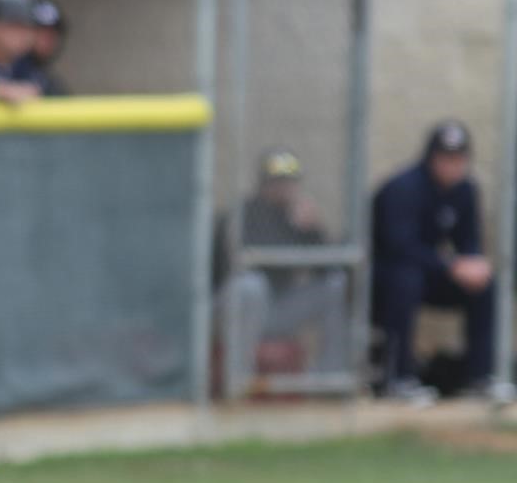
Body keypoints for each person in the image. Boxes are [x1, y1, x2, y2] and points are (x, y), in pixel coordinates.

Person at [370, 121, 507, 400]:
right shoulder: (404, 187)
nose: (453, 165)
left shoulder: (465, 190)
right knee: (406, 280)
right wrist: (452, 266)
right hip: (385, 275)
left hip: (430, 271)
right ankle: (399, 377)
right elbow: (400, 248)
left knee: (485, 284)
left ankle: (479, 377)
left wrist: (473, 264)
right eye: (446, 158)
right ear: (431, 157)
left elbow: (468, 241)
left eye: (459, 159)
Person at [212, 149, 350, 396]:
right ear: (263, 183)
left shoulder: (297, 217)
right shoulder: (243, 215)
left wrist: (312, 231)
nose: (283, 188)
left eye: (289, 182)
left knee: (335, 285)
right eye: (276, 181)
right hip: (235, 310)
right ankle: (238, 381)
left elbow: (327, 269)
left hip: (277, 309)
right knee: (251, 286)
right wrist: (292, 231)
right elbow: (257, 264)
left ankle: (327, 381)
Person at [28, 0, 70, 96]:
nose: (46, 41)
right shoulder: (9, 68)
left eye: (52, 35)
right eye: (40, 33)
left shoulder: (47, 81)